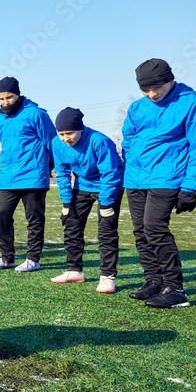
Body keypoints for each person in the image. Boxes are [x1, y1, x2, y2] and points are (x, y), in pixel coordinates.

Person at [121, 58, 196, 309]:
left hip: (167, 176)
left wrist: (190, 186)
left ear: (170, 80)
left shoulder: (193, 103)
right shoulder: (137, 108)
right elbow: (128, 140)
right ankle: (153, 281)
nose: (152, 94)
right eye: (145, 89)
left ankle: (176, 289)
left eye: (157, 88)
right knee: (140, 231)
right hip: (136, 178)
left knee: (154, 228)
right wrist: (130, 164)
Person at [49, 107, 125, 293]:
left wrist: (106, 203)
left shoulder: (99, 141)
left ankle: (107, 276)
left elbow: (110, 173)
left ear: (80, 128)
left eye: (70, 133)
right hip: (82, 185)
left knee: (106, 230)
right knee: (71, 225)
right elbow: (62, 173)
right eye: (61, 134)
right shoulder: (57, 143)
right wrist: (67, 203)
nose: (66, 138)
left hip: (108, 185)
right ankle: (74, 270)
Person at [0, 77, 58, 272]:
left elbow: (52, 142)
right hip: (7, 177)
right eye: (1, 99)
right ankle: (6, 258)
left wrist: (49, 165)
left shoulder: (36, 114)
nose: (5, 102)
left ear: (17, 94)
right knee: (2, 215)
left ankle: (33, 259)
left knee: (34, 218)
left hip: (33, 176)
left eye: (9, 97)